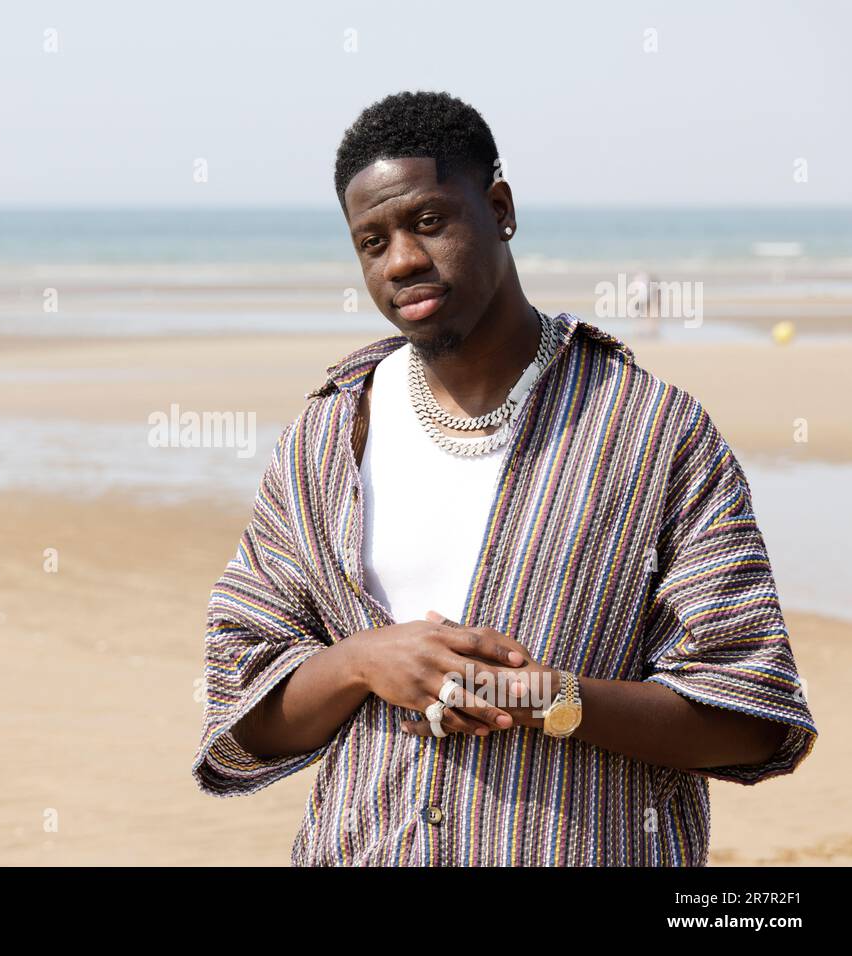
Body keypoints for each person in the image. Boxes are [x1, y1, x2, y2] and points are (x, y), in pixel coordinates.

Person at [191, 91, 816, 866]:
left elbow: (752, 715)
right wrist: (362, 660)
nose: (403, 262)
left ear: (499, 208)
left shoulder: (655, 433)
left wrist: (551, 699)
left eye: (428, 222)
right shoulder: (324, 440)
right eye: (372, 242)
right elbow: (243, 713)